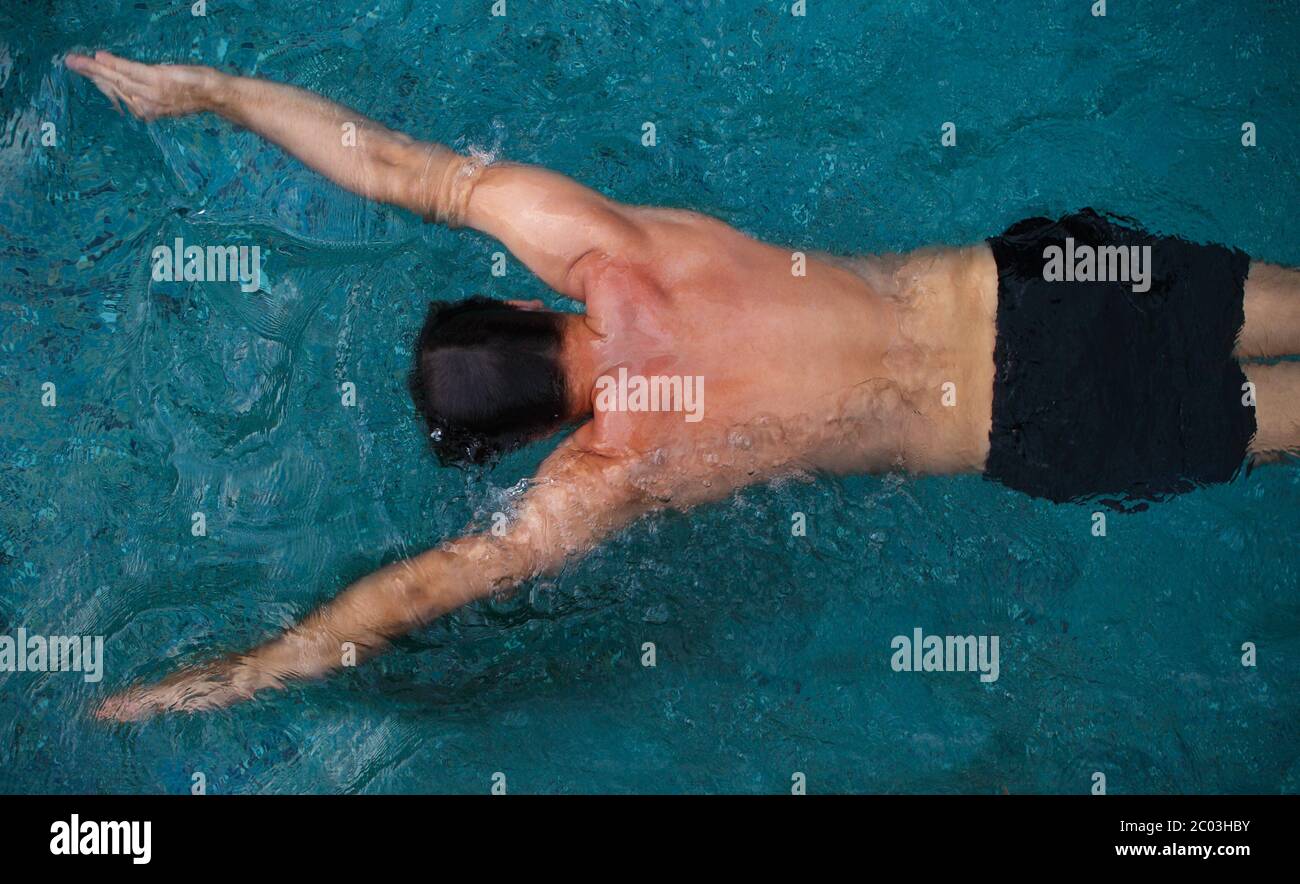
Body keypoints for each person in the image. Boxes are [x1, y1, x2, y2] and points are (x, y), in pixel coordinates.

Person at [65, 51, 1300, 720]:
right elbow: (401, 169)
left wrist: (239, 671)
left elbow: (425, 587)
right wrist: (213, 91)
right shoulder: (616, 253)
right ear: (522, 304)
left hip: (1036, 421)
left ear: (519, 441)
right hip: (1040, 287)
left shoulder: (608, 470)